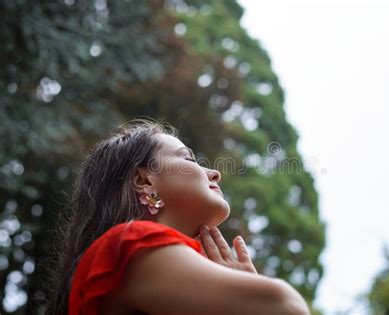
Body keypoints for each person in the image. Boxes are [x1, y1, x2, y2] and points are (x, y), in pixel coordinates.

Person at [45, 118, 310, 315]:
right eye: (189, 159)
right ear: (143, 180)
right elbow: (286, 305)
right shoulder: (130, 243)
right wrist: (255, 297)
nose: (215, 173)